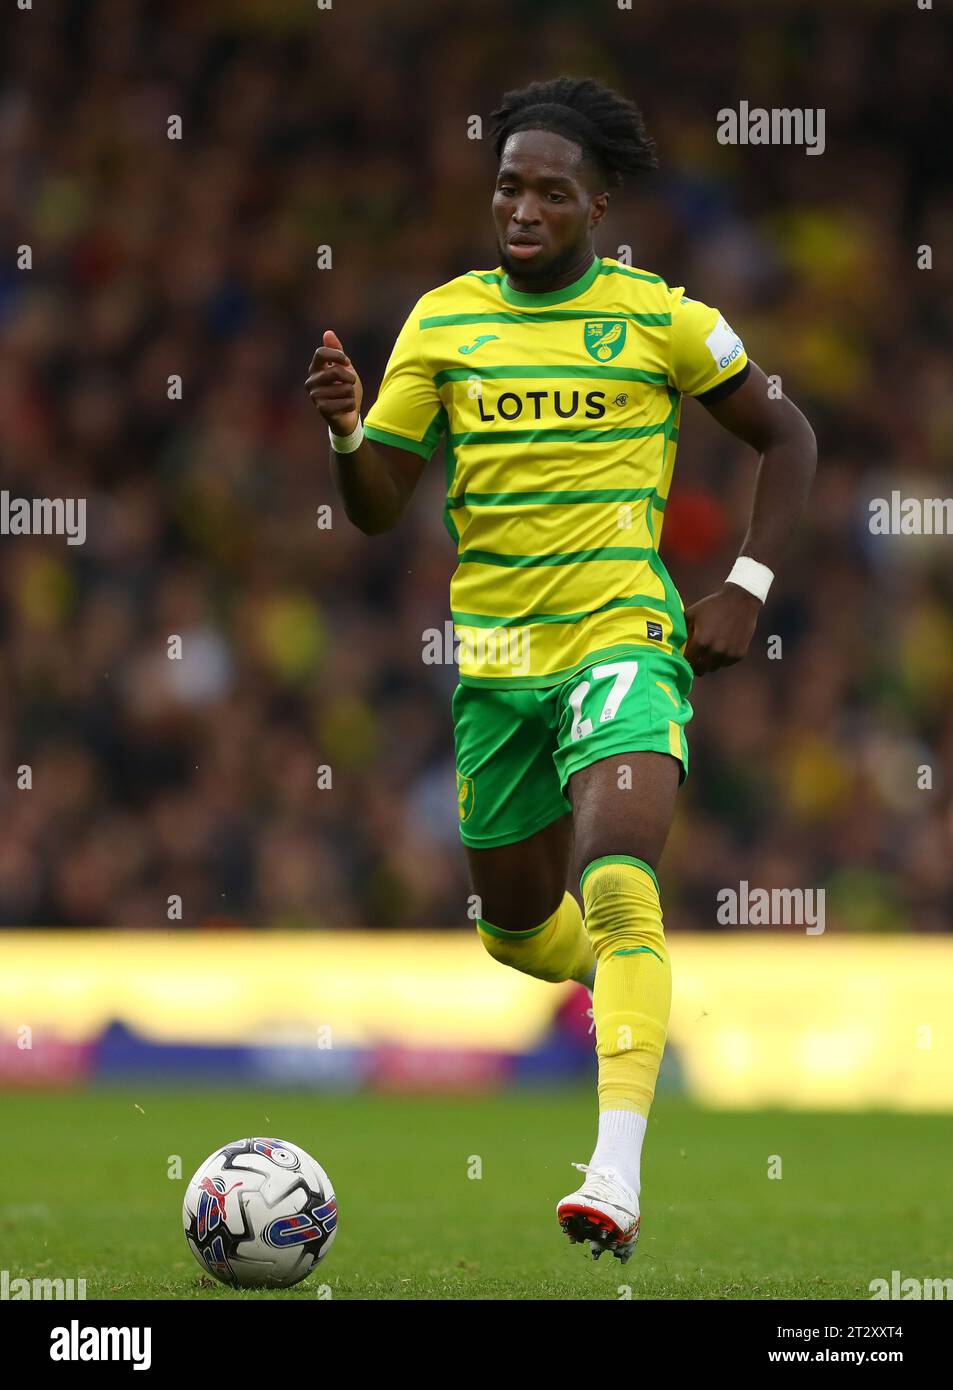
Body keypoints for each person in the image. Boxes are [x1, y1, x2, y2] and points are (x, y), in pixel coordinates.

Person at [307, 76, 816, 1263]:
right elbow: (378, 508)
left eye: (548, 190)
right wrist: (343, 431)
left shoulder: (660, 321)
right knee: (518, 929)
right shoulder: (441, 322)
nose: (521, 207)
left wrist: (745, 584)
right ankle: (637, 982)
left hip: (618, 638)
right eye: (506, 186)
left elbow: (785, 432)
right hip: (490, 662)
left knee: (619, 865)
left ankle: (613, 1173)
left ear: (596, 204)